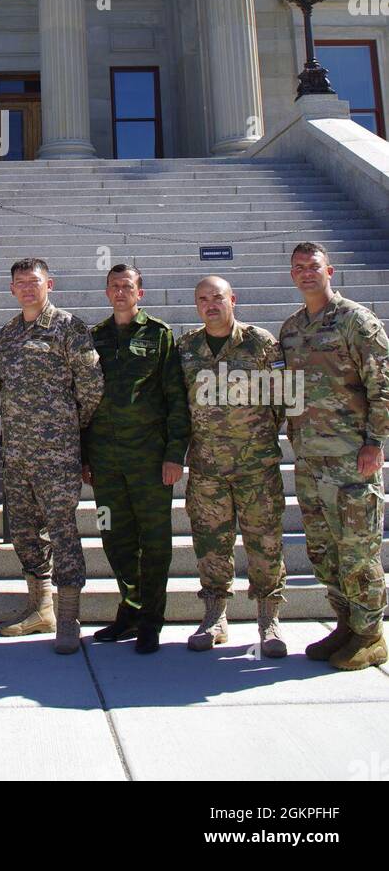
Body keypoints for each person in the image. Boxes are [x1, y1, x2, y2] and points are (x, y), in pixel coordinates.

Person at [280, 241, 389, 670]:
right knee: (324, 549)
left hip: (350, 457)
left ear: (331, 270)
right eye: (299, 267)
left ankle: (370, 633)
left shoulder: (355, 321)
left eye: (314, 266)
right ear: (292, 275)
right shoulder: (292, 329)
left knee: (357, 549)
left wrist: (374, 443)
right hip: (309, 458)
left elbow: (383, 385)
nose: (307, 273)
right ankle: (344, 623)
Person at [0, 258, 104, 655]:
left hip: (56, 454)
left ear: (49, 284)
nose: (26, 288)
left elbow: (91, 389)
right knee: (24, 532)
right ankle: (40, 609)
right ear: (11, 289)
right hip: (17, 454)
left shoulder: (68, 328)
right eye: (19, 283)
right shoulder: (7, 334)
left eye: (34, 281)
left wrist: (66, 428)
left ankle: (69, 619)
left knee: (62, 531)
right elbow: (3, 386)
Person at [177, 277, 287, 656]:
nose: (210, 305)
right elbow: (179, 404)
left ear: (233, 300)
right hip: (208, 468)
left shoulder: (261, 342)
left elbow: (283, 397)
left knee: (265, 543)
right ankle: (214, 617)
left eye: (217, 298)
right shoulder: (187, 347)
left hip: (257, 467)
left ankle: (268, 622)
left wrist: (253, 435)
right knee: (211, 545)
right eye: (203, 299)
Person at [85, 263, 190, 654]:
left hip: (149, 460)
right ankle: (129, 609)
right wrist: (84, 455)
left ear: (139, 293)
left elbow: (176, 398)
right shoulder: (94, 337)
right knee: (114, 536)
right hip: (106, 462)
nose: (120, 292)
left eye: (127, 286)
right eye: (114, 286)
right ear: (107, 292)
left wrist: (174, 453)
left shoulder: (159, 336)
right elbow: (84, 400)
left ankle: (151, 621)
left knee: (156, 541)